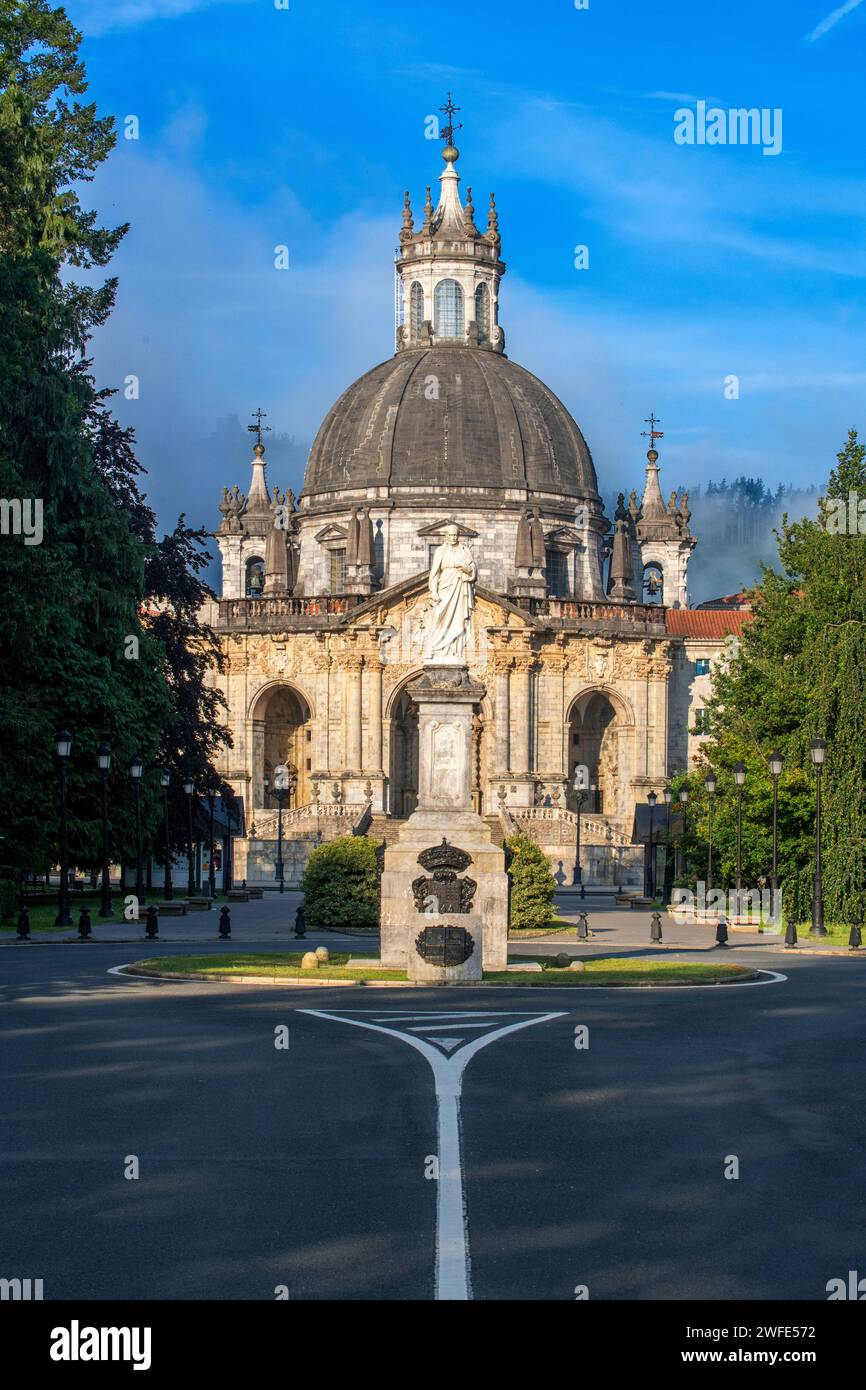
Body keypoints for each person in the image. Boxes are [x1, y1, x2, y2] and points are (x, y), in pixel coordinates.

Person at [424, 523, 477, 662]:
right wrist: (434, 592)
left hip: (460, 585)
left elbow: (472, 568)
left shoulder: (465, 550)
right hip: (445, 585)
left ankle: (455, 649)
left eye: (456, 535)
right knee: (438, 616)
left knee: (458, 617)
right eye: (451, 535)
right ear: (446, 536)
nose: (453, 538)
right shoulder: (440, 551)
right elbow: (434, 573)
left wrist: (466, 568)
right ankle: (435, 647)